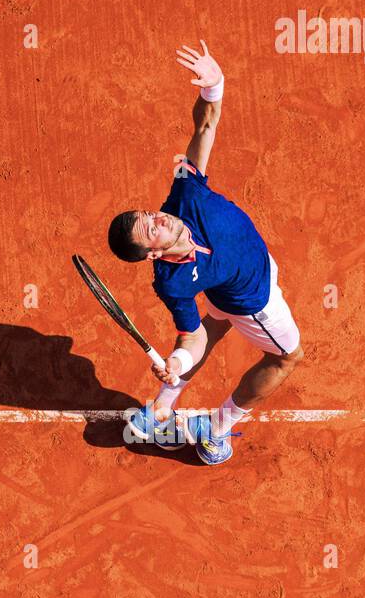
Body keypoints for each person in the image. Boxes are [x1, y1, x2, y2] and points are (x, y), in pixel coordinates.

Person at [106, 42, 303, 464]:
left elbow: (205, 128)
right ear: (151, 255)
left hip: (226, 284)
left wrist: (214, 87)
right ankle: (217, 431)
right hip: (253, 300)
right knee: (287, 357)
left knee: (215, 324)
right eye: (151, 229)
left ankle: (160, 408)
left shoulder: (185, 193)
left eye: (151, 214)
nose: (161, 219)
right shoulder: (172, 282)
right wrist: (178, 358)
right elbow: (190, 334)